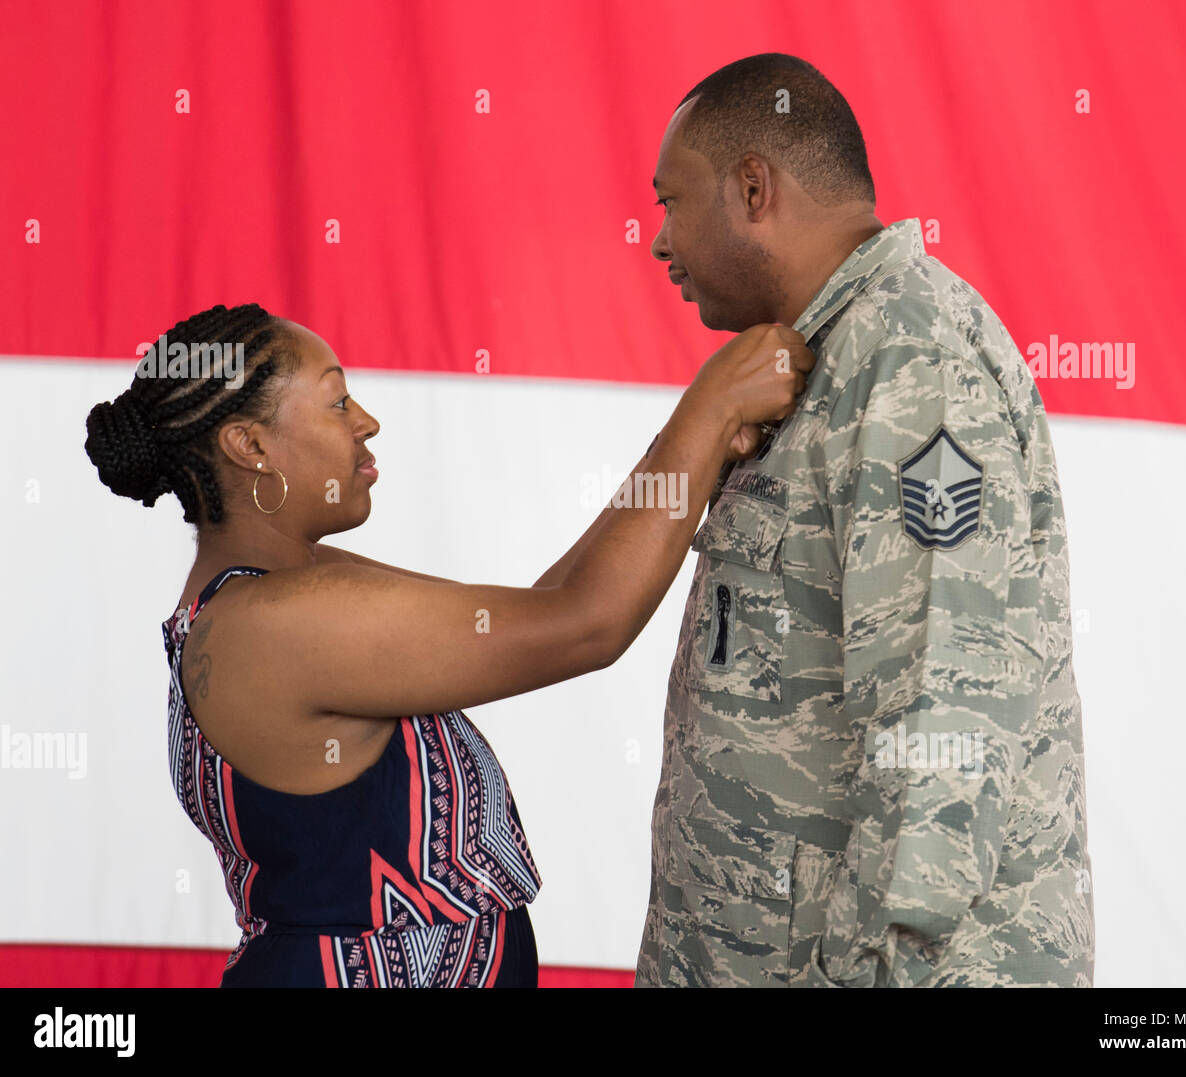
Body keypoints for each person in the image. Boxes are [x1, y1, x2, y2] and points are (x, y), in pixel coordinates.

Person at [83, 301, 813, 987]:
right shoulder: (281, 619)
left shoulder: (284, 589)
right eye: (337, 402)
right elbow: (588, 625)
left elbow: (541, 610)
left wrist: (685, 451)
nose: (366, 421)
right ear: (249, 445)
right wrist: (710, 407)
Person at [637, 53, 1095, 987]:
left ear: (753, 188)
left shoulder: (909, 353)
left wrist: (867, 966)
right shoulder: (826, 355)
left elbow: (942, 713)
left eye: (670, 202)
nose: (659, 241)